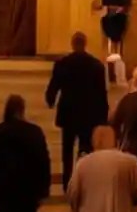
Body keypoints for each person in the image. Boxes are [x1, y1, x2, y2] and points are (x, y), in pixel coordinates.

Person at [46, 32, 110, 192]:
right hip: (89, 114)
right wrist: (103, 116)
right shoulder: (96, 65)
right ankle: (84, 181)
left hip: (68, 113)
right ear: (85, 44)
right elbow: (102, 93)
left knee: (67, 149)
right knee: (86, 148)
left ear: (73, 44)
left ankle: (67, 182)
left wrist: (50, 100)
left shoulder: (62, 63)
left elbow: (54, 86)